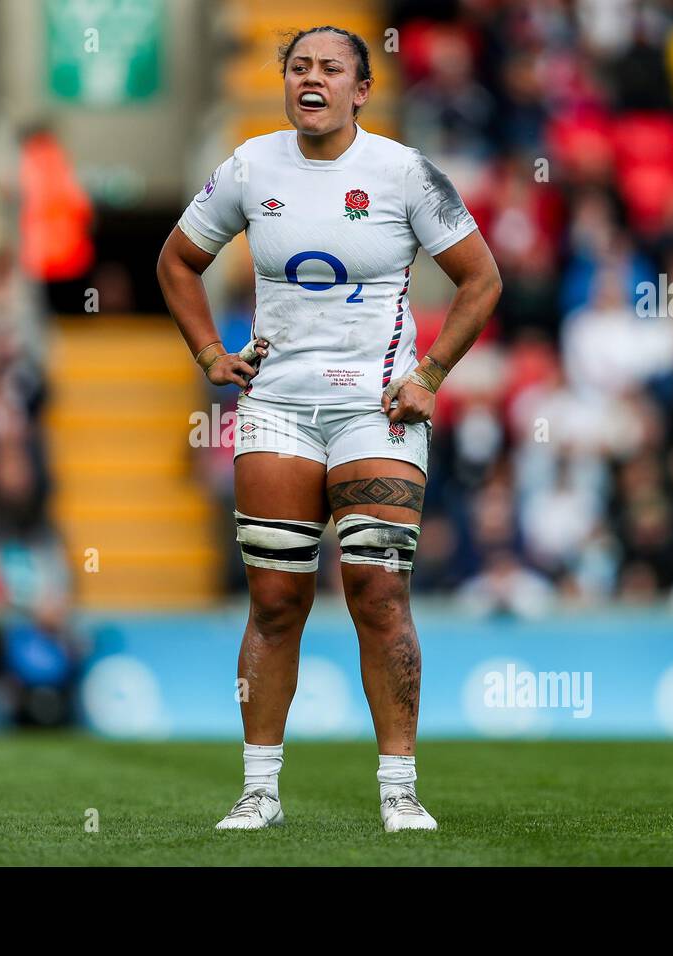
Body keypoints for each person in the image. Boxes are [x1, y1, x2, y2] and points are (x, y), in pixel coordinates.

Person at [156, 25, 501, 832]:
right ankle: (259, 791)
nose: (311, 78)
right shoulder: (249, 166)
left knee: (378, 593)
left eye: (330, 68)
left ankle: (399, 790)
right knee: (275, 599)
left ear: (361, 89)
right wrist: (210, 351)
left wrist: (431, 375)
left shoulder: (404, 173)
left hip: (375, 408)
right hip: (276, 407)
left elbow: (481, 279)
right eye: (298, 66)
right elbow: (176, 261)